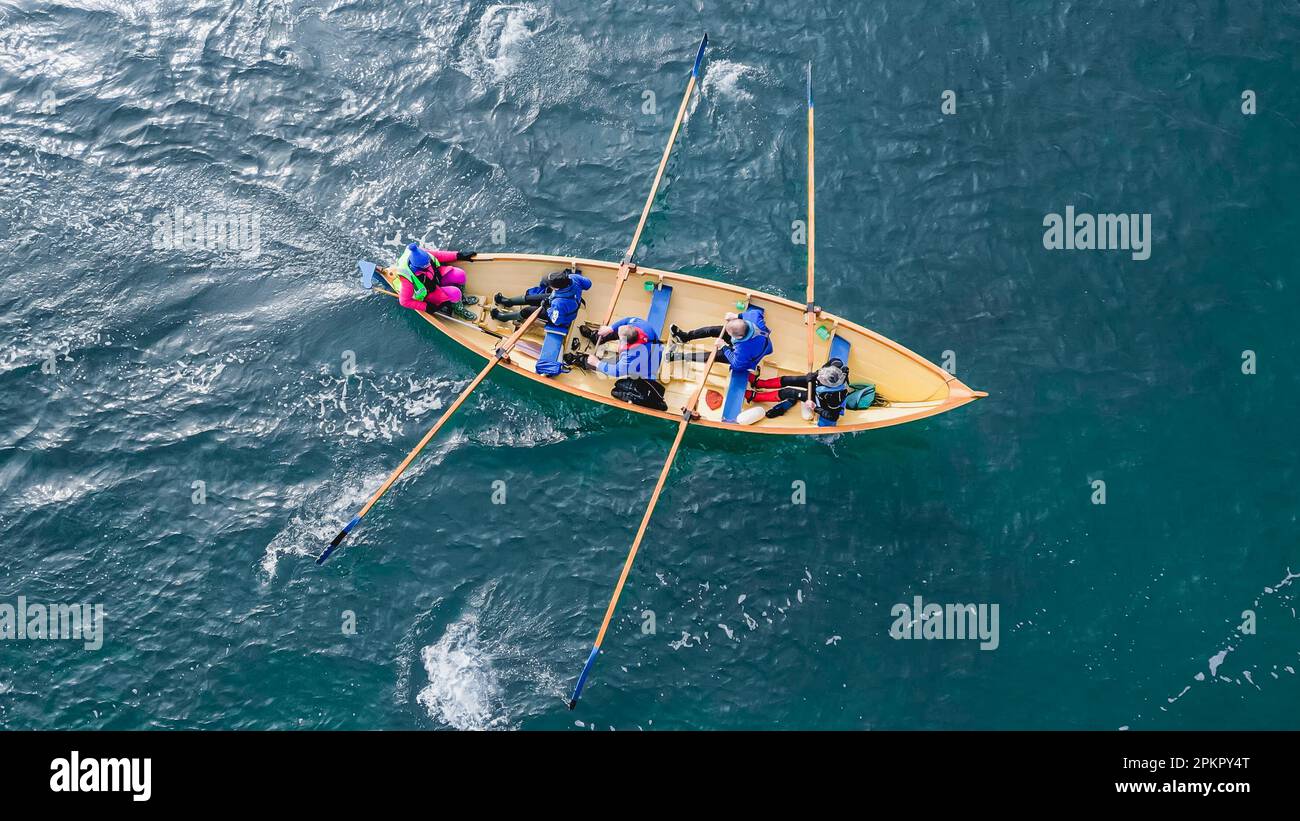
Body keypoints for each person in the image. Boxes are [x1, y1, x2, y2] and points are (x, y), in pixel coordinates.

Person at [491, 268, 592, 376]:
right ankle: (508, 302)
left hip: (562, 316)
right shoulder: (573, 278)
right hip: (558, 299)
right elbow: (588, 284)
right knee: (532, 298)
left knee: (527, 311)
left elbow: (556, 321)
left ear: (557, 287)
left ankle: (503, 317)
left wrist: (548, 308)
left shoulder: (559, 303)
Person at [667, 307, 773, 376]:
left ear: (739, 337)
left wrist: (723, 347)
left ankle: (677, 356)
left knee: (712, 356)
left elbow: (737, 364)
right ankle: (685, 337)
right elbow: (758, 312)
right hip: (752, 341)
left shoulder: (743, 350)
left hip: (749, 357)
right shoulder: (753, 317)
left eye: (730, 334)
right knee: (714, 330)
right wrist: (736, 316)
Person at [747, 357, 850, 422]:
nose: (819, 376)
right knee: (788, 379)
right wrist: (815, 374)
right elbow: (830, 363)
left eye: (821, 377)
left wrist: (815, 408)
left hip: (817, 399)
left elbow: (833, 417)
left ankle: (755, 397)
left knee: (788, 392)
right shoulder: (837, 365)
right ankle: (759, 383)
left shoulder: (836, 397)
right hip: (816, 384)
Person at [395, 243, 479, 320]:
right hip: (428, 292)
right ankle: (459, 310)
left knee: (460, 274)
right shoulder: (407, 280)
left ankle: (462, 299)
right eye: (426, 266)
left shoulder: (423, 254)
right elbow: (404, 301)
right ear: (416, 267)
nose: (429, 265)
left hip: (436, 278)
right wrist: (426, 307)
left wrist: (459, 255)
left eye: (429, 262)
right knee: (455, 292)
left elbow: (440, 255)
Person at [577, 316, 664, 379]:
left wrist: (597, 363)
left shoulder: (631, 357)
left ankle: (583, 361)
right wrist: (610, 328)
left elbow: (617, 371)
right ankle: (595, 337)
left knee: (611, 364)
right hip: (654, 348)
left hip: (647, 365)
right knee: (618, 331)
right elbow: (626, 321)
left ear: (625, 344)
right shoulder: (642, 325)